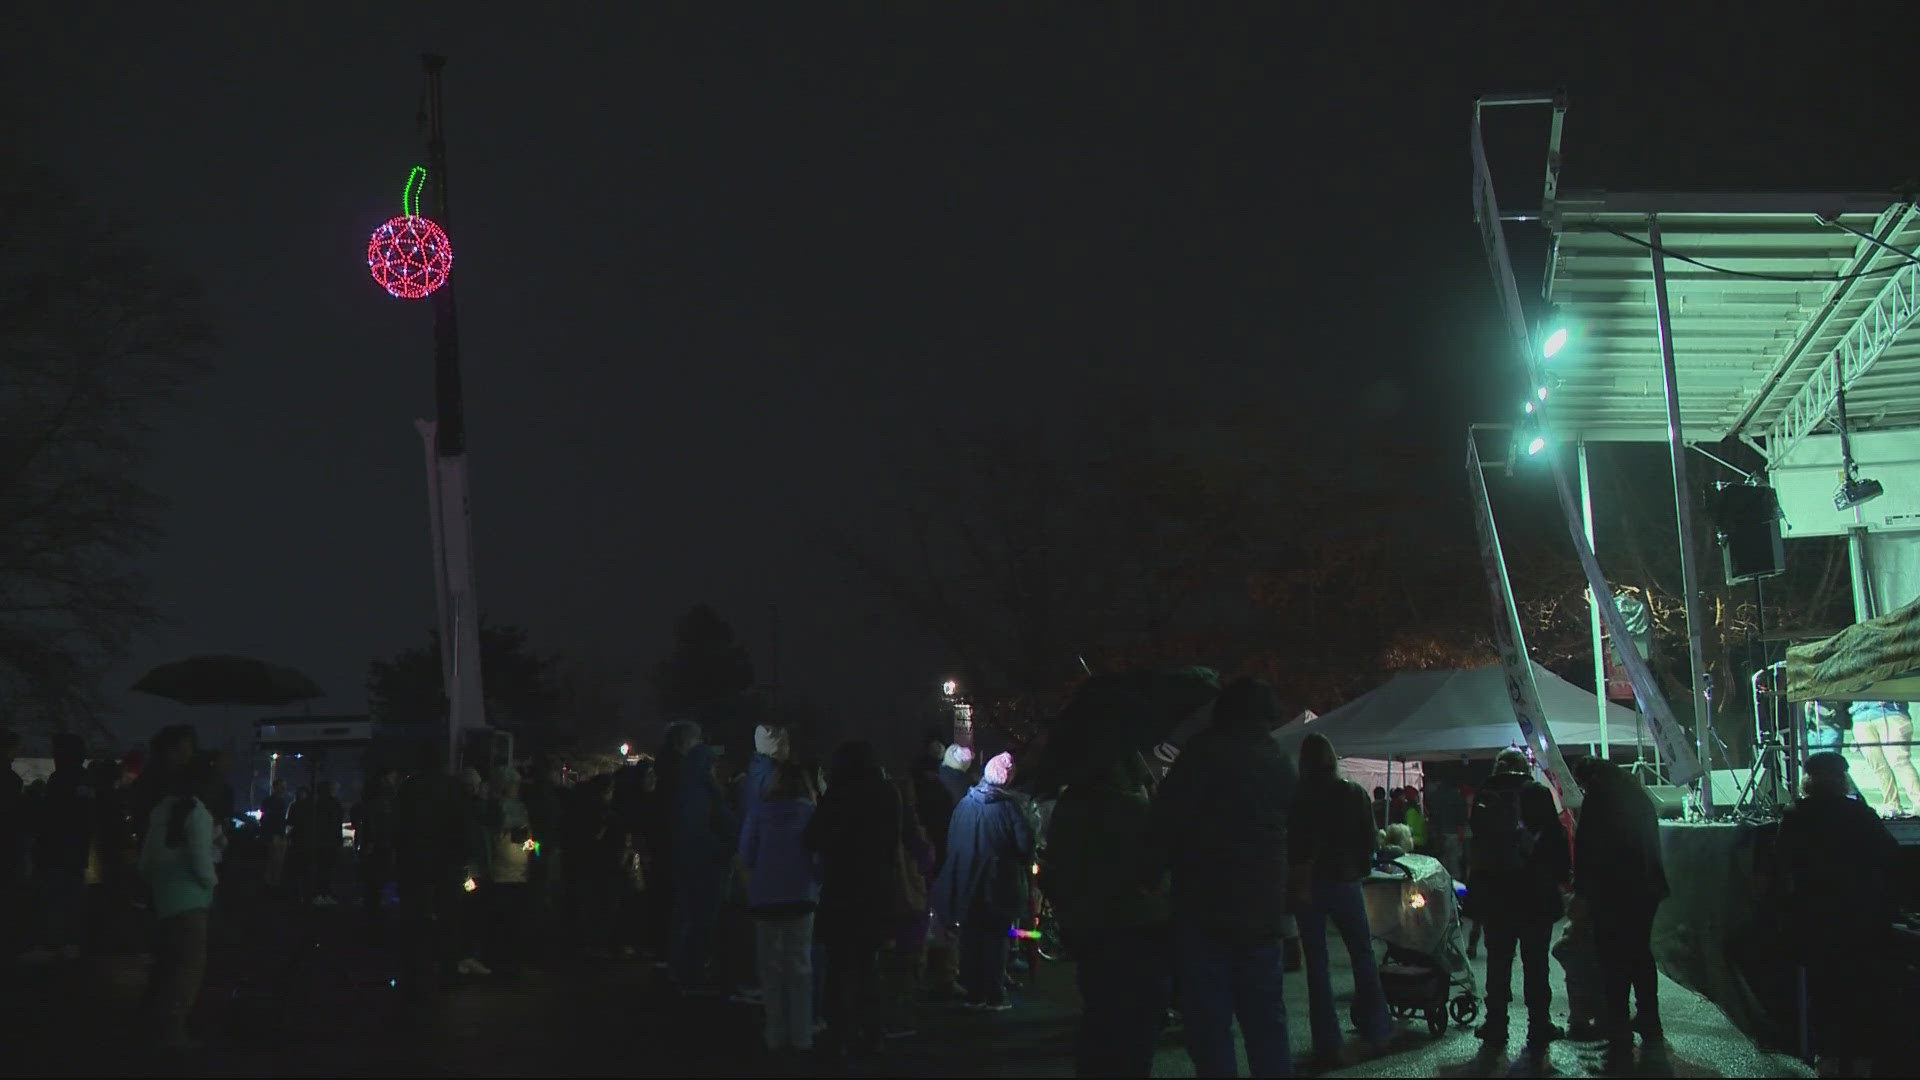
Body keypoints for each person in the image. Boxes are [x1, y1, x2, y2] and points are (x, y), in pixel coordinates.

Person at [1152, 677, 1298, 1079]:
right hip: (1263, 905)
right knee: (1266, 1018)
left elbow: (1165, 822)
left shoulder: (1200, 755)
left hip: (1203, 904)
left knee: (1210, 1021)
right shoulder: (1278, 759)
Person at [1044, 748, 1171, 1077]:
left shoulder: (1068, 809)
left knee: (1099, 1012)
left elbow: (1053, 873)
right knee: (1139, 1019)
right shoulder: (1136, 810)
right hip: (1138, 925)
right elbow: (1156, 868)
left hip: (1088, 927)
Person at [1778, 750, 1899, 1078]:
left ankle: (1827, 1059)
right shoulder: (1859, 813)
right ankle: (1861, 1060)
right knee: (1862, 991)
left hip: (1817, 919)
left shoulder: (1795, 815)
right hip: (1862, 917)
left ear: (1808, 779)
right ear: (1840, 778)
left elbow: (1780, 868)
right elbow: (1890, 854)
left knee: (1823, 992)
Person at [1289, 732, 1391, 1067]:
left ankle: (1327, 1042)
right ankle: (1377, 1030)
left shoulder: (1298, 796)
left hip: (1309, 884)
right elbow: (1370, 839)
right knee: (1362, 954)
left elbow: (1292, 843)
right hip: (1346, 879)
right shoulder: (1351, 793)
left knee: (1317, 966)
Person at [1466, 748, 1570, 1066]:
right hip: (1534, 896)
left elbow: (1478, 843)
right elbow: (1556, 837)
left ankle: (1496, 1024)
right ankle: (1539, 1026)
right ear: (1525, 767)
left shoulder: (1486, 795)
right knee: (1535, 964)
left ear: (1498, 767)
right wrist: (1562, 876)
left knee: (1499, 962)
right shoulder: (1537, 792)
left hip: (1497, 895)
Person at [806, 741, 903, 1059]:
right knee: (866, 965)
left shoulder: (838, 794)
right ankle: (872, 1032)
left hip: (841, 887)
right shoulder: (887, 793)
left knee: (837, 965)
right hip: (875, 888)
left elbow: (812, 837)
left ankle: (839, 1034)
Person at [1571, 756, 1670, 1067]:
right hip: (1645, 890)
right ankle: (1649, 1018)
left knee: (1613, 960)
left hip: (1611, 893)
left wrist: (1582, 894)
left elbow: (1587, 852)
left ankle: (1619, 1028)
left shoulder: (1598, 802)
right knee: (1640, 953)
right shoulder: (1637, 796)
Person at [933, 751, 1035, 1013]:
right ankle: (993, 993)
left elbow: (952, 843)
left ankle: (973, 992)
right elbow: (1025, 846)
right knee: (996, 939)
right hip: (998, 884)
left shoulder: (965, 804)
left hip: (966, 882)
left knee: (971, 939)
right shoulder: (1008, 808)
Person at [138, 755, 218, 1051]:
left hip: (165, 898)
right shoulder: (198, 814)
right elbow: (200, 858)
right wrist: (211, 883)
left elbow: (146, 860)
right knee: (188, 969)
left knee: (168, 966)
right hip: (192, 898)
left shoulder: (162, 811)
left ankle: (155, 1026)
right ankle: (174, 1034)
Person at [740, 760, 820, 1054]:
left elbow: (746, 852)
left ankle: (775, 1032)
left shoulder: (760, 811)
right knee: (800, 967)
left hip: (765, 896)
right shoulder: (810, 813)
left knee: (770, 968)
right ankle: (802, 1035)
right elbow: (818, 855)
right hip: (801, 895)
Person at [671, 743, 737, 993]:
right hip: (704, 863)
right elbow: (698, 828)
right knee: (699, 918)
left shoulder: (690, 787)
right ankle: (691, 973)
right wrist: (722, 849)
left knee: (690, 916)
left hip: (698, 861)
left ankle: (686, 970)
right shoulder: (699, 790)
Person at [26, 733, 95, 962]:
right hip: (75, 850)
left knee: (53, 897)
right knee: (70, 897)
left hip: (55, 850)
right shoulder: (83, 779)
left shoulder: (61, 779)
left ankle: (51, 943)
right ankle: (70, 942)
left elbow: (50, 817)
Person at [883, 772, 938, 1039]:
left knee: (887, 962)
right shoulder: (912, 831)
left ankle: (883, 1017)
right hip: (910, 901)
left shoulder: (875, 826)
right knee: (908, 963)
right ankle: (900, 1019)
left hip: (884, 902)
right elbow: (927, 859)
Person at [1847, 701, 1920, 817]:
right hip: (1860, 715)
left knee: (1899, 761)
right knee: (1878, 766)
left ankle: (1918, 802)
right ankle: (1891, 805)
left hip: (1890, 711)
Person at [354, 770, 400, 944]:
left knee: (373, 885)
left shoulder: (374, 803)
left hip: (377, 847)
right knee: (376, 883)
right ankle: (375, 917)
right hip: (380, 848)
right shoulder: (384, 803)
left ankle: (373, 916)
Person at [260, 779, 291, 887]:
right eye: (281, 786)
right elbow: (270, 818)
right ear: (275, 787)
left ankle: (272, 882)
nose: (284, 789)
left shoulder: (278, 801)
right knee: (274, 860)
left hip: (278, 834)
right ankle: (272, 883)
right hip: (275, 834)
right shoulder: (274, 801)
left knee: (276, 860)